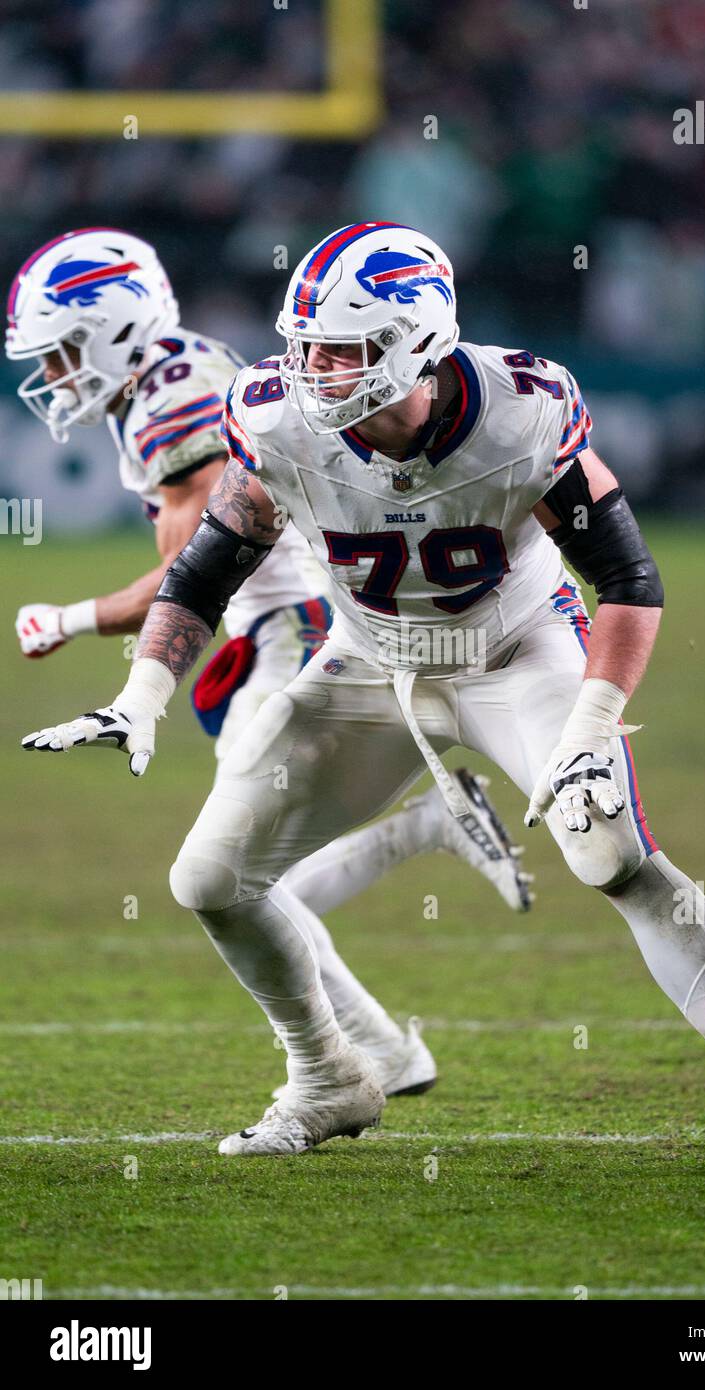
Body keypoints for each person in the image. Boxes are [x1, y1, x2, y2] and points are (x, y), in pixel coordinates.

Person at [23, 221, 705, 1175]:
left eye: (342, 350)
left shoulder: (521, 409)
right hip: (370, 664)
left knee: (612, 856)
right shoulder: (275, 417)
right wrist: (141, 695)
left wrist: (590, 727)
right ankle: (328, 1074)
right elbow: (206, 569)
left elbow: (626, 577)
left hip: (517, 652)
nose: (315, 371)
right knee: (207, 879)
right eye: (306, 347)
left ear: (415, 340)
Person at [7, 226, 533, 1106]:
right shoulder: (170, 376)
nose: (55, 378)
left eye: (63, 354)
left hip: (287, 623)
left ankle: (373, 1040)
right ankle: (389, 1028)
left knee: (243, 871)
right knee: (248, 871)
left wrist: (68, 618)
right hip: (280, 623)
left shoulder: (172, 402)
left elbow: (188, 578)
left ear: (114, 330)